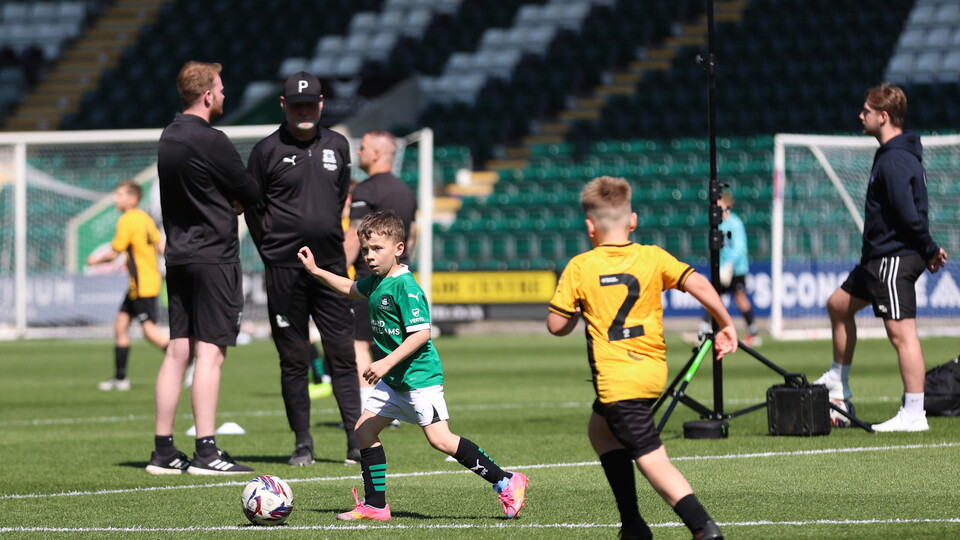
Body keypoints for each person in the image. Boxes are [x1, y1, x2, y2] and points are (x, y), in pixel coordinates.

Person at [298, 210, 528, 521]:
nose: (369, 256)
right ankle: (376, 505)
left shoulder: (405, 286)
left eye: (377, 248)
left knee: (440, 440)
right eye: (365, 249)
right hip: (395, 380)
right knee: (364, 431)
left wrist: (385, 362)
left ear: (398, 248)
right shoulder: (377, 282)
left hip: (420, 379)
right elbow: (348, 289)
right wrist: (315, 271)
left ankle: (506, 481)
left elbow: (422, 333)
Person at [546, 176, 733, 540]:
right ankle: (632, 524)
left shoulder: (581, 267)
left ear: (589, 227)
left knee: (653, 460)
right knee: (600, 431)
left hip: (619, 380)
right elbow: (699, 284)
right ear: (632, 220)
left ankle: (704, 528)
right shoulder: (653, 256)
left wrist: (575, 310)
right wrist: (726, 324)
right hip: (651, 372)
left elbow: (556, 325)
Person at [814, 83, 948, 432]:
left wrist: (929, 249)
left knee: (902, 334)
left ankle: (914, 414)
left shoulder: (894, 158)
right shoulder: (891, 154)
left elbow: (907, 213)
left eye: (867, 110)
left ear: (883, 116)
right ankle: (837, 381)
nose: (861, 115)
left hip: (893, 258)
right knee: (838, 305)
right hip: (879, 258)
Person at [149, 61, 262, 475]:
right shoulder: (212, 139)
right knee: (211, 354)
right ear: (208, 94)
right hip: (213, 256)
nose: (225, 95)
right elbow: (250, 190)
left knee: (178, 350)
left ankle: (163, 451)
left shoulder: (169, 135)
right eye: (222, 88)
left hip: (178, 255)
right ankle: (206, 450)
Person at [244, 71, 361, 467]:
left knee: (342, 354)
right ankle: (302, 443)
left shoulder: (338, 145)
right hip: (284, 270)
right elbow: (253, 209)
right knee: (293, 358)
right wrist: (272, 253)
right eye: (297, 105)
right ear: (284, 106)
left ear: (322, 103)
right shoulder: (265, 151)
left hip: (330, 267)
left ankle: (355, 440)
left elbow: (342, 192)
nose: (304, 111)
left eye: (310, 104)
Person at [344, 130, 417, 413]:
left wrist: (335, 273)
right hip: (402, 277)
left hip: (370, 281)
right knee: (391, 344)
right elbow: (410, 238)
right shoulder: (406, 191)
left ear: (376, 153)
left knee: (358, 344)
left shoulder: (366, 190)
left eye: (361, 148)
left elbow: (354, 237)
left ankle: (371, 409)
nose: (358, 153)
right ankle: (398, 407)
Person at [86, 180, 169, 391]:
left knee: (149, 331)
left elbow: (114, 253)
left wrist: (94, 261)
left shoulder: (128, 220)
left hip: (143, 284)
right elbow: (160, 244)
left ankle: (185, 359)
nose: (116, 198)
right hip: (140, 283)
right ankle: (121, 378)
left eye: (121, 195)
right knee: (120, 325)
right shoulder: (144, 218)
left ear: (133, 199)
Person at [699, 192, 759, 346]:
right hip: (722, 269)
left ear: (727, 205)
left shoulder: (735, 223)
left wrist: (729, 265)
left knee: (740, 298)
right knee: (713, 297)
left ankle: (753, 331)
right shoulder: (718, 224)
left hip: (736, 269)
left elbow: (739, 248)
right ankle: (704, 328)